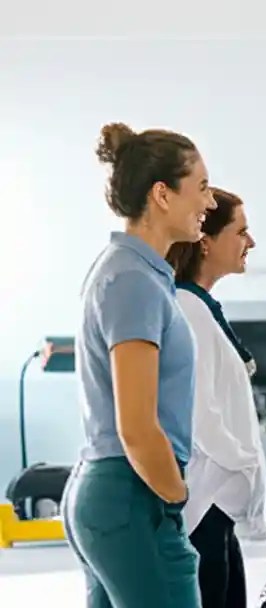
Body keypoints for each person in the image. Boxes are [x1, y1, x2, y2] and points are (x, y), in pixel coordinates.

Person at [64, 122, 216, 607]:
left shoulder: (133, 273)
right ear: (163, 195)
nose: (209, 203)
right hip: (131, 494)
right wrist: (175, 495)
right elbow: (136, 426)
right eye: (202, 187)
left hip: (113, 493)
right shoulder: (132, 280)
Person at [165, 187, 266, 608]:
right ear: (205, 241)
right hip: (205, 503)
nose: (251, 242)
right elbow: (200, 413)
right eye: (242, 231)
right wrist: (244, 461)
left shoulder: (201, 306)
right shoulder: (187, 308)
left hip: (217, 506)